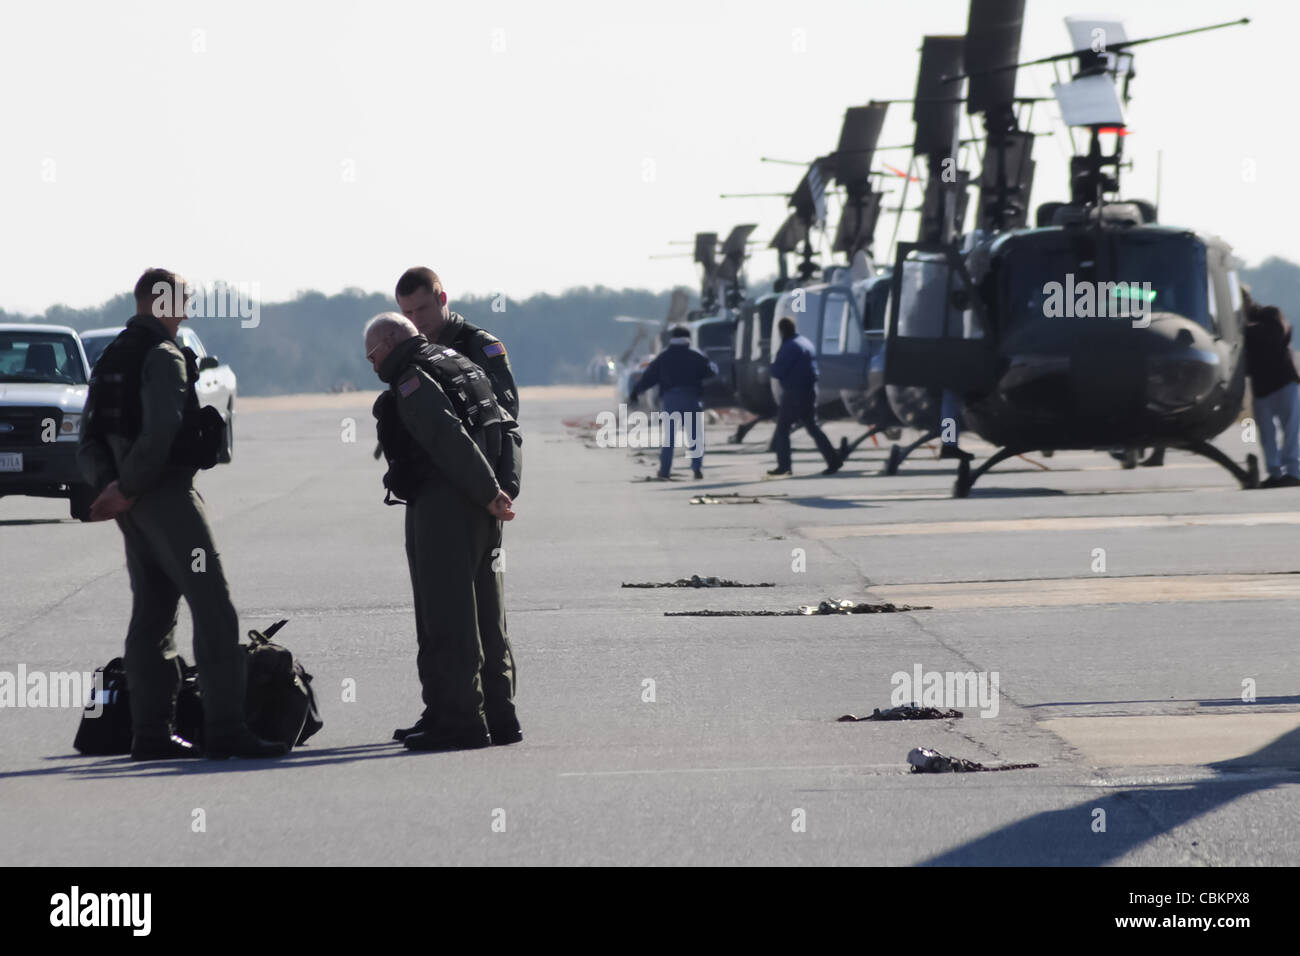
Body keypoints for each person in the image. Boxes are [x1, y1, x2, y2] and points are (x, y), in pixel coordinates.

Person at [77, 268, 287, 760]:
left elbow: (88, 436)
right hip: (164, 496)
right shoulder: (164, 355)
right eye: (184, 296)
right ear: (161, 300)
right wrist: (128, 488)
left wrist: (110, 487)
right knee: (214, 608)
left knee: (152, 614)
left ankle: (150, 735)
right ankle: (226, 729)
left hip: (131, 503)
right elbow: (162, 431)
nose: (190, 302)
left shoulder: (112, 354)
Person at [365, 313, 520, 751]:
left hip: (445, 504)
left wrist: (489, 491)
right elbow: (507, 425)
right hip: (484, 505)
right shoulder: (461, 363)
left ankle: (458, 719)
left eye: (373, 355)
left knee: (446, 615)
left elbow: (447, 436)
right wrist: (504, 490)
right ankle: (499, 714)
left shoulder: (414, 378)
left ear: (392, 343)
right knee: (489, 615)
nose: (373, 366)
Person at [395, 267, 518, 418]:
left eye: (422, 309)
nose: (416, 319)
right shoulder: (408, 353)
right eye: (408, 312)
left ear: (442, 299)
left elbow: (508, 410)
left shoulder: (479, 345)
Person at [629, 325, 716, 479]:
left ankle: (665, 471)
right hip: (691, 397)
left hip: (671, 399)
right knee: (695, 437)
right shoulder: (696, 356)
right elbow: (710, 372)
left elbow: (649, 377)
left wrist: (636, 392)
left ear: (671, 339)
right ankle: (696, 468)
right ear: (688, 339)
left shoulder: (663, 357)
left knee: (669, 438)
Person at [768, 317, 841, 477]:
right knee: (813, 427)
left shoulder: (789, 347)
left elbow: (777, 371)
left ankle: (784, 466)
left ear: (782, 331)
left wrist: (771, 366)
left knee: (783, 429)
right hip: (809, 391)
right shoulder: (805, 342)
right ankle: (833, 460)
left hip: (794, 392)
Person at [1244, 303, 1300, 487]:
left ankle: (1277, 472)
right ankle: (1291, 472)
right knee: (1289, 431)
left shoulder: (1254, 330)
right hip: (1285, 384)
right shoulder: (1279, 327)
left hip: (1265, 388)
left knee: (1268, 434)